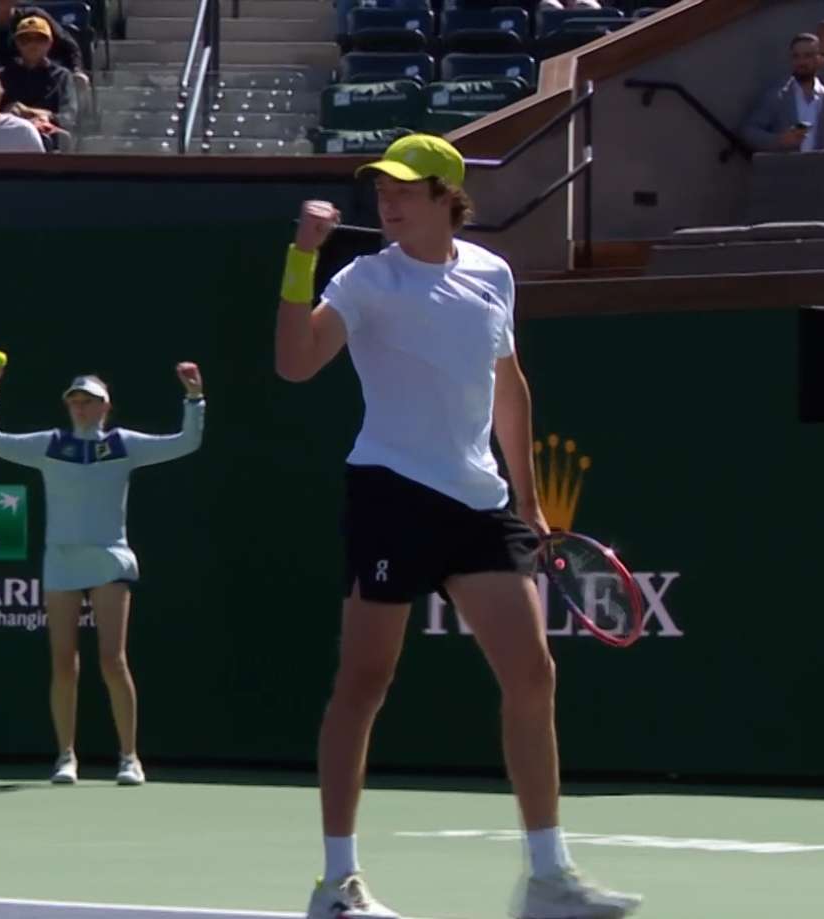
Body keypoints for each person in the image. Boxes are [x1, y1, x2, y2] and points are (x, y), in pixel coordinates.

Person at [273, 135, 643, 919]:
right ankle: (337, 883)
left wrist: (531, 500)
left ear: (448, 194)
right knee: (364, 681)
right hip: (390, 494)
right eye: (382, 190)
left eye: (406, 189)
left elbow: (508, 388)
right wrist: (300, 260)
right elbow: (296, 362)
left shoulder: (491, 275)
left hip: (479, 504)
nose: (389, 200)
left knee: (533, 674)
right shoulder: (365, 278)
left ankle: (547, 877)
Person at [0, 357, 206, 786]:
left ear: (105, 406)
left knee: (113, 660)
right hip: (61, 560)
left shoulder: (125, 444)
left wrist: (194, 397)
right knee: (63, 662)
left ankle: (129, 758)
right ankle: (65, 756)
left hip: (109, 558)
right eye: (75, 401)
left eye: (89, 401)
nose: (81, 407)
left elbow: (187, 441)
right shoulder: (49, 444)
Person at [741, 32, 824, 153]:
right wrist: (779, 140)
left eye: (808, 56)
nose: (801, 62)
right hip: (787, 168)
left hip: (822, 168)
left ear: (820, 59)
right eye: (796, 56)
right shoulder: (778, 96)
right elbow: (750, 133)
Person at [0, 15, 75, 146]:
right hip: (10, 139)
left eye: (40, 39)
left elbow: (69, 117)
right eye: (25, 39)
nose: (32, 44)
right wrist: (6, 111)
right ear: (17, 43)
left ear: (50, 43)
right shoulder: (3, 75)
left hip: (50, 141)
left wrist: (33, 113)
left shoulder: (62, 76)